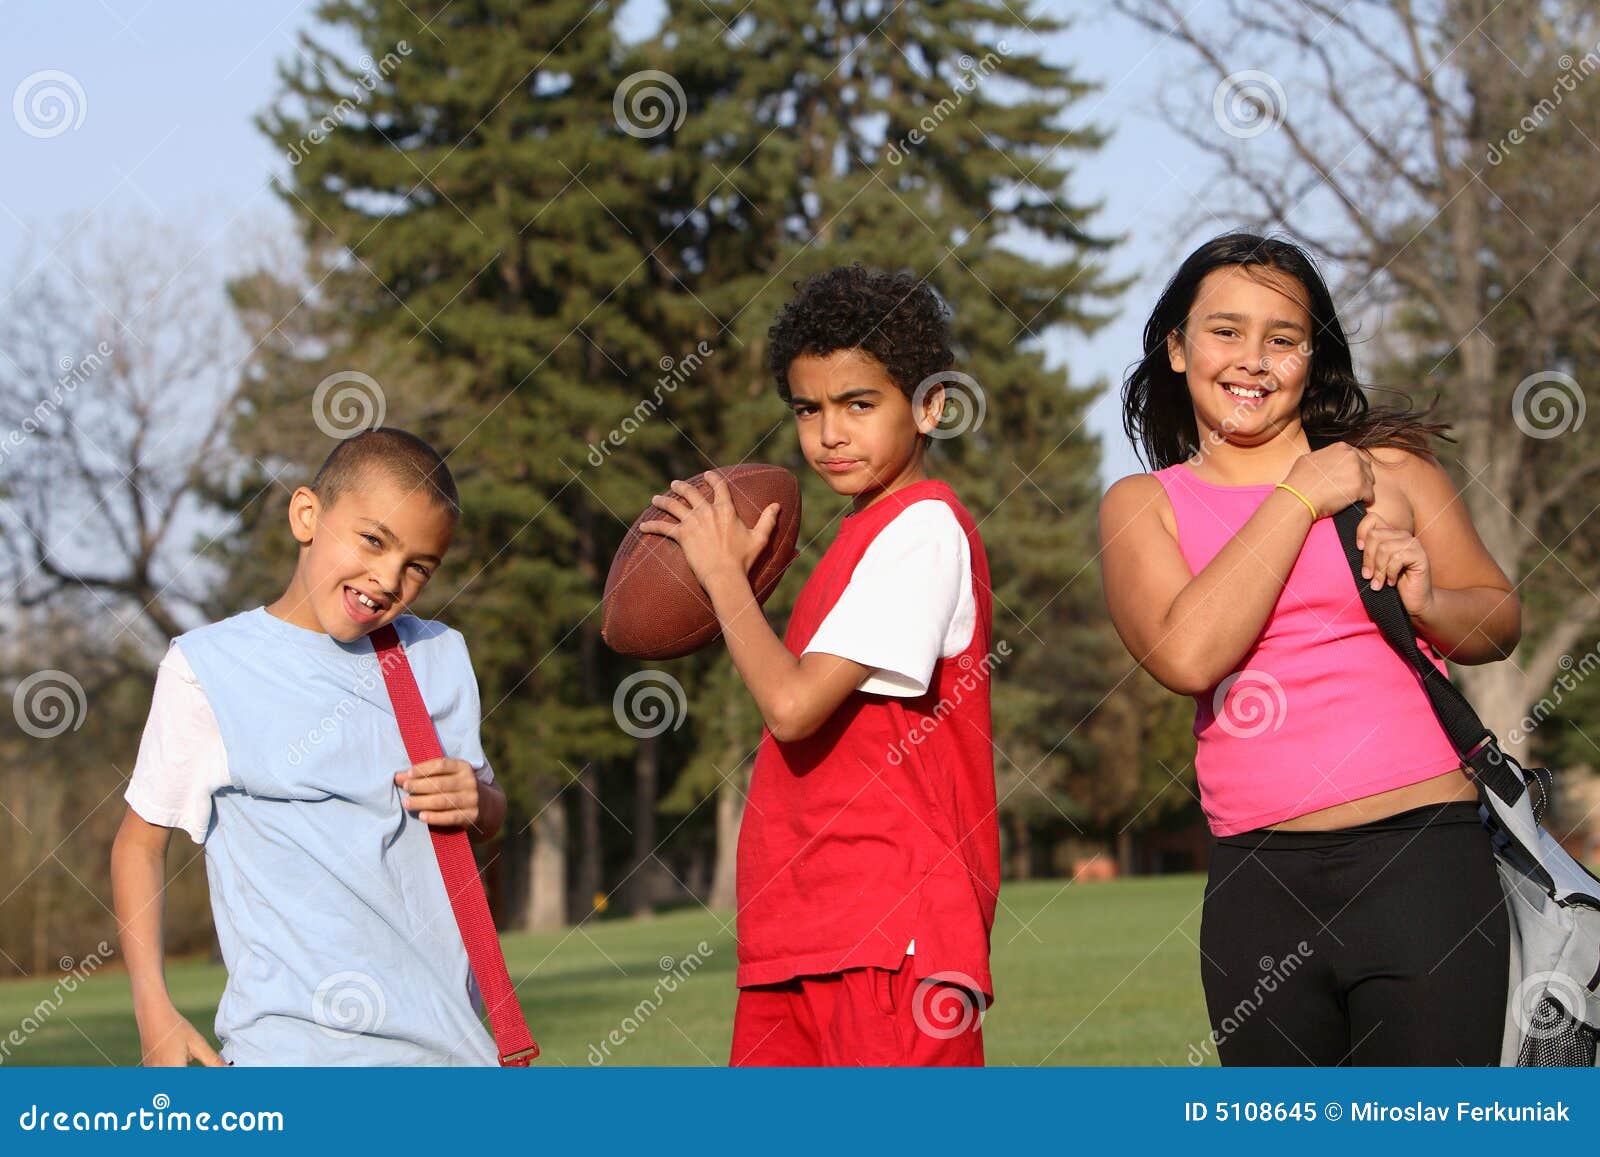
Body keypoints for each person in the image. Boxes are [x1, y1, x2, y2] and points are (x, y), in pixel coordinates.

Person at [1100, 232, 1518, 1066]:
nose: (1253, 360)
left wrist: (1429, 598)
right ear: (1178, 348)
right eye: (1225, 331)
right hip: (1261, 881)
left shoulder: (1385, 468)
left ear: (1310, 357)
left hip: (1424, 859)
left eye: (1282, 339)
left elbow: (1498, 623)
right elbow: (1189, 654)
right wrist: (1299, 494)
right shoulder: (1143, 505)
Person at [641, 265, 999, 1065]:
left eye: (858, 404)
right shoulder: (853, 539)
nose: (829, 432)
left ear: (932, 404)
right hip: (796, 931)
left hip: (890, 932)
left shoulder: (926, 527)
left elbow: (794, 706)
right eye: (808, 409)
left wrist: (724, 577)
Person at [111, 428, 507, 1066]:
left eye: (418, 568)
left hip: (452, 1056)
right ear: (307, 515)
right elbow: (138, 844)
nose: (387, 578)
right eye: (373, 540)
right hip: (290, 1060)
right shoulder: (206, 668)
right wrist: (152, 1010)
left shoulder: (439, 657)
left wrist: (481, 801)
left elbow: (486, 815)